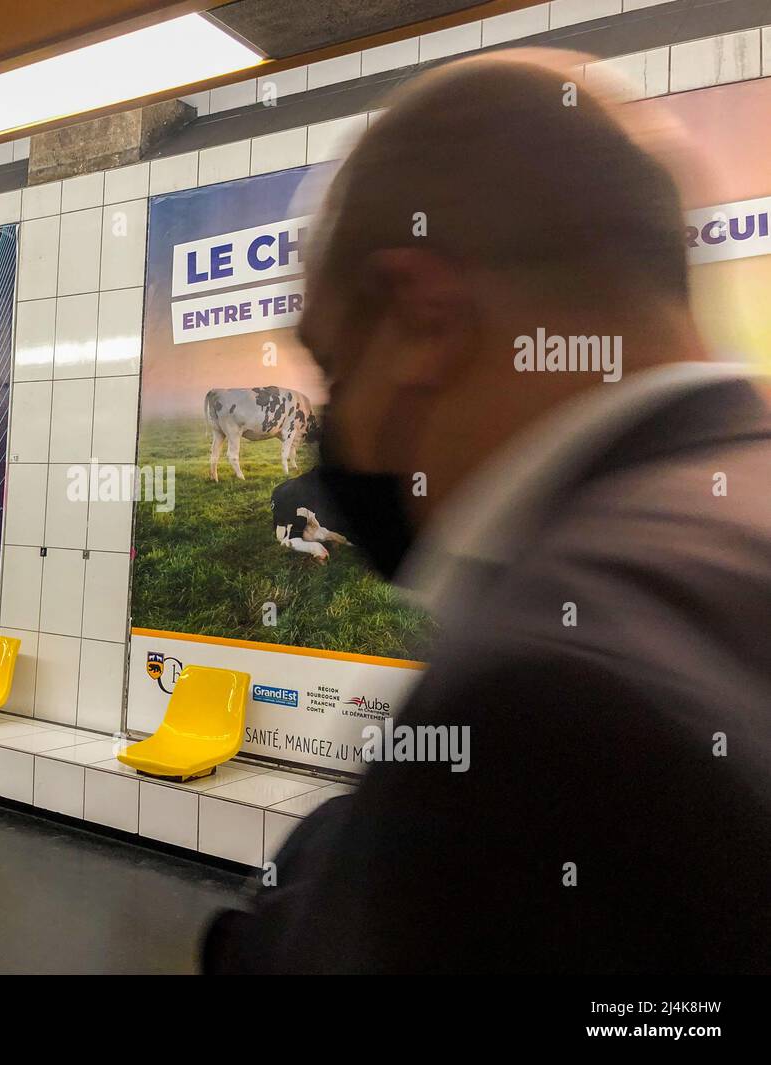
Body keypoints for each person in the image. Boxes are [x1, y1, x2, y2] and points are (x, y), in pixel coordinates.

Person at [203, 49, 771, 974]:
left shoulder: (545, 697)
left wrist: (315, 891)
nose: (336, 426)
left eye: (337, 365)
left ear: (425, 317)